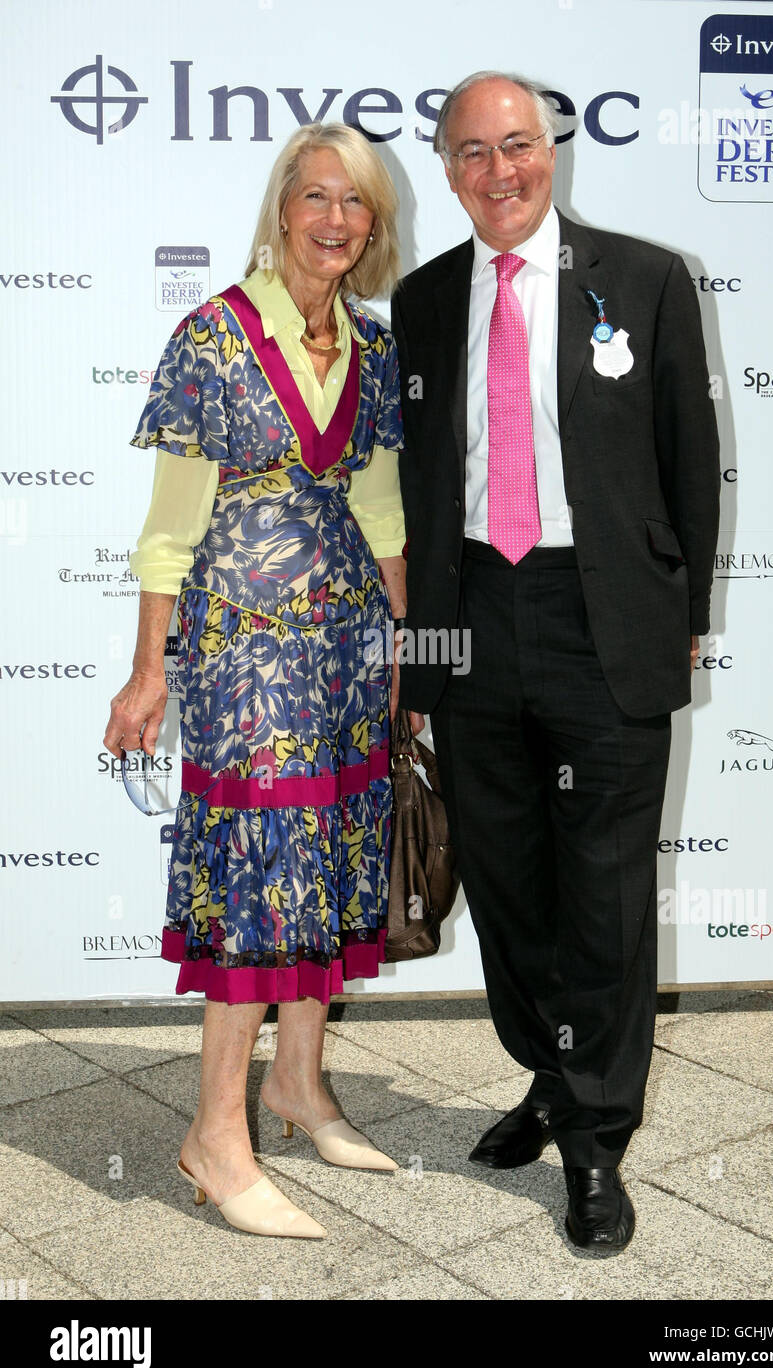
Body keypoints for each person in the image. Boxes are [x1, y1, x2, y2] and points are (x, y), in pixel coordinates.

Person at [391, 72, 720, 1252]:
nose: (499, 171)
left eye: (517, 145)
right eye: (472, 152)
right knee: (512, 878)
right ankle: (548, 1068)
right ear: (447, 167)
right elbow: (423, 502)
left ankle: (594, 1140)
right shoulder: (422, 303)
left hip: (604, 621)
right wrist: (419, 668)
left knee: (607, 895)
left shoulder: (642, 278)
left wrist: (678, 614)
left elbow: (691, 457)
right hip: (473, 611)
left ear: (552, 150)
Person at [103, 123, 408, 1239]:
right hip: (245, 659)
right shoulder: (214, 339)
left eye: (356, 204)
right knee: (255, 875)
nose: (334, 220)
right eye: (316, 197)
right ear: (282, 209)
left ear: (372, 226)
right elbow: (169, 530)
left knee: (333, 854)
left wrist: (407, 653)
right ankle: (213, 1135)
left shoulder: (371, 347)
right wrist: (149, 673)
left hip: (346, 650)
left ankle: (297, 1083)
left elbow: (381, 512)